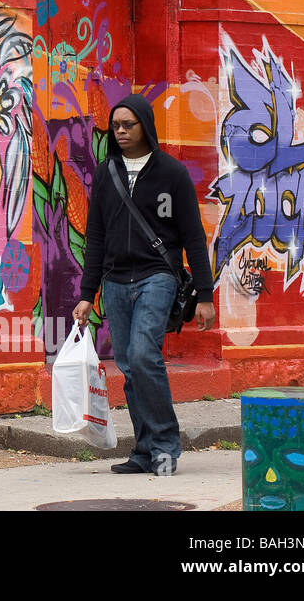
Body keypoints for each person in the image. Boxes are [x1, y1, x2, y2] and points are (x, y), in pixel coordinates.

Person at [72, 94, 215, 476]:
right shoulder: (107, 173)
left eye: (127, 125)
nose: (119, 131)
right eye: (115, 126)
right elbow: (96, 237)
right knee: (130, 367)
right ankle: (144, 450)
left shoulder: (172, 173)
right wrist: (88, 295)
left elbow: (194, 238)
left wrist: (205, 295)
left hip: (158, 276)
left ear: (145, 126)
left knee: (142, 355)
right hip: (116, 280)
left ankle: (166, 444)